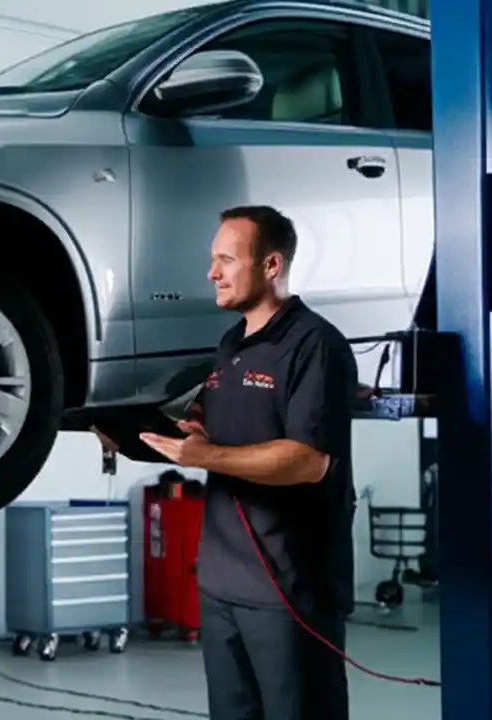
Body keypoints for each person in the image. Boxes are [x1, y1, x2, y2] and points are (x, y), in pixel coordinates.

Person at [134, 205, 359, 720]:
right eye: (213, 260)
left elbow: (308, 461)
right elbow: (230, 438)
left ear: (271, 266)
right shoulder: (231, 345)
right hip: (221, 586)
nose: (212, 273)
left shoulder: (313, 345)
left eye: (226, 260)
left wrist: (208, 454)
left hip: (290, 592)